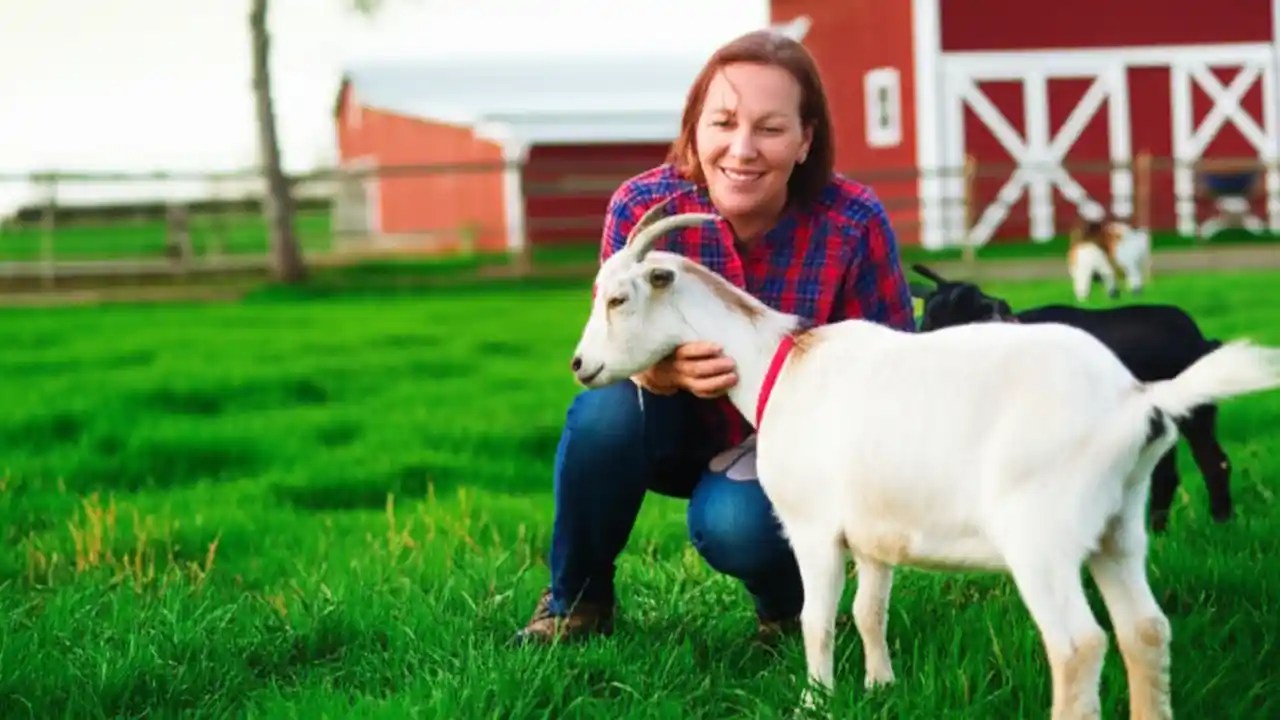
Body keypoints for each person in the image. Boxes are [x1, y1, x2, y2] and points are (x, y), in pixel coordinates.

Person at [512, 28, 916, 645]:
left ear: (806, 140)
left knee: (733, 522)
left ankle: (790, 608)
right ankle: (577, 603)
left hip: (790, 446)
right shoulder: (642, 209)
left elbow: (894, 379)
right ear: (694, 129)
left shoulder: (852, 221)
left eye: (771, 128)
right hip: (671, 424)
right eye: (722, 122)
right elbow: (606, 343)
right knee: (602, 418)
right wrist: (664, 372)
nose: (742, 148)